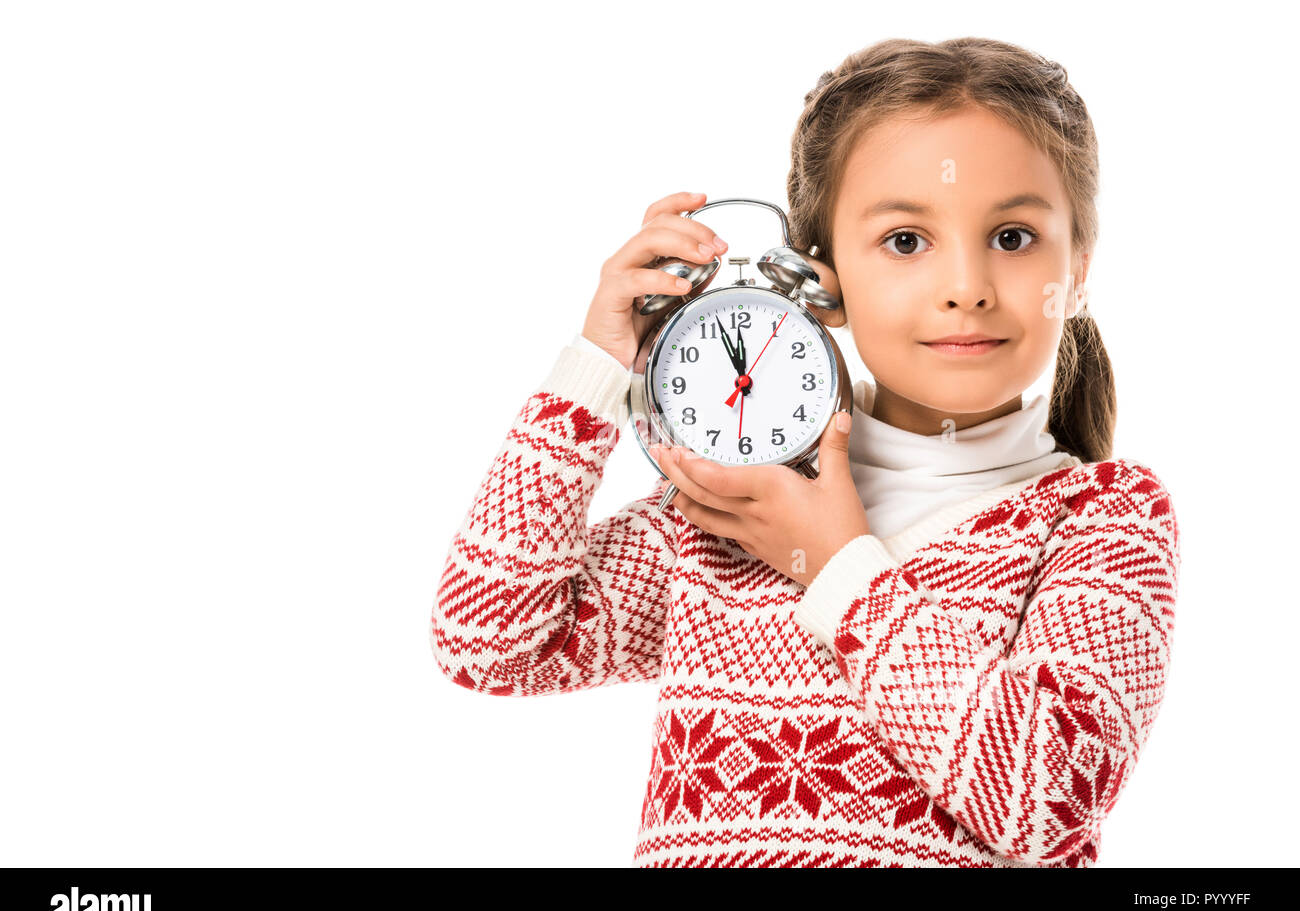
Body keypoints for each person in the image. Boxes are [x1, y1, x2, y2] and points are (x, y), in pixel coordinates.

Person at [429, 36, 1180, 867]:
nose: (965, 284)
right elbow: (490, 638)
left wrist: (834, 560)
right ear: (823, 282)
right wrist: (598, 363)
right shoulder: (738, 498)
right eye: (905, 241)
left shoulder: (1103, 519)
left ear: (1077, 268)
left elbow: (1046, 803)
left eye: (1012, 237)